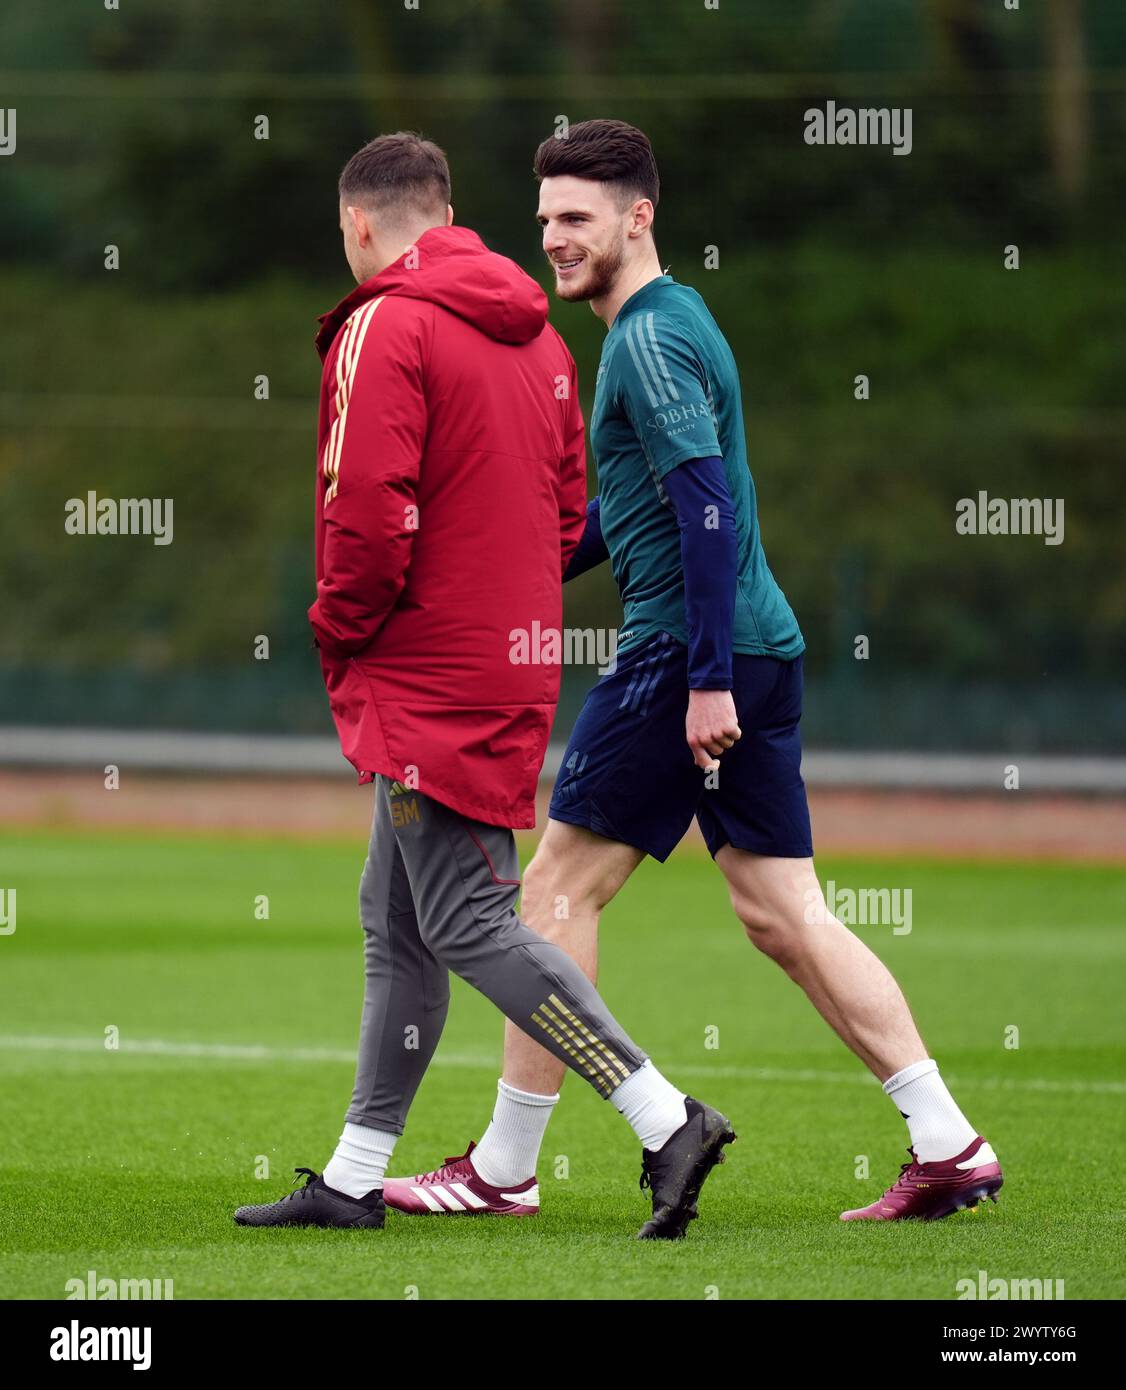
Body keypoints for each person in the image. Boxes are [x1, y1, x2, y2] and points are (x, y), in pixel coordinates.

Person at [383, 120, 1003, 1225]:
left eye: (577, 218)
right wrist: (503, 569)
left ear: (639, 217)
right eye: (545, 219)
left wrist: (703, 678)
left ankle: (505, 1169)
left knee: (553, 892)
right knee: (783, 911)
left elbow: (706, 510)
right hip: (758, 650)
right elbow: (633, 513)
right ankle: (949, 1142)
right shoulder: (676, 320)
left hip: (687, 657)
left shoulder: (646, 342)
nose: (554, 239)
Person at [233, 132, 734, 1240]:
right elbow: (568, 514)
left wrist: (337, 629)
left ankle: (664, 1116)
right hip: (505, 661)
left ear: (358, 223)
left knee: (463, 919)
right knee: (398, 919)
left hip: (422, 673)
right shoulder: (541, 339)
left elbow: (364, 510)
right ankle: (354, 1178)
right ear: (448, 216)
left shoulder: (383, 324)